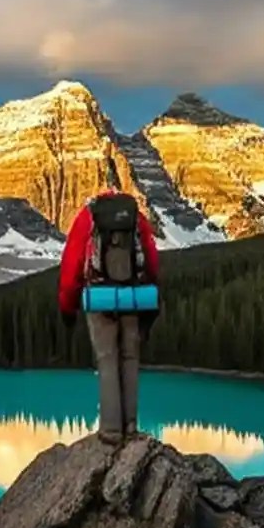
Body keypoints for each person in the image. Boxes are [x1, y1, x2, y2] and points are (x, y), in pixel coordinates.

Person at [57, 189, 161, 444]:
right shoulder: (136, 218)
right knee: (129, 358)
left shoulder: (88, 216)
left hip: (99, 298)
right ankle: (131, 425)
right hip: (132, 298)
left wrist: (67, 306)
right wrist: (152, 292)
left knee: (107, 360)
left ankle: (111, 430)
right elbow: (151, 258)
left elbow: (72, 264)